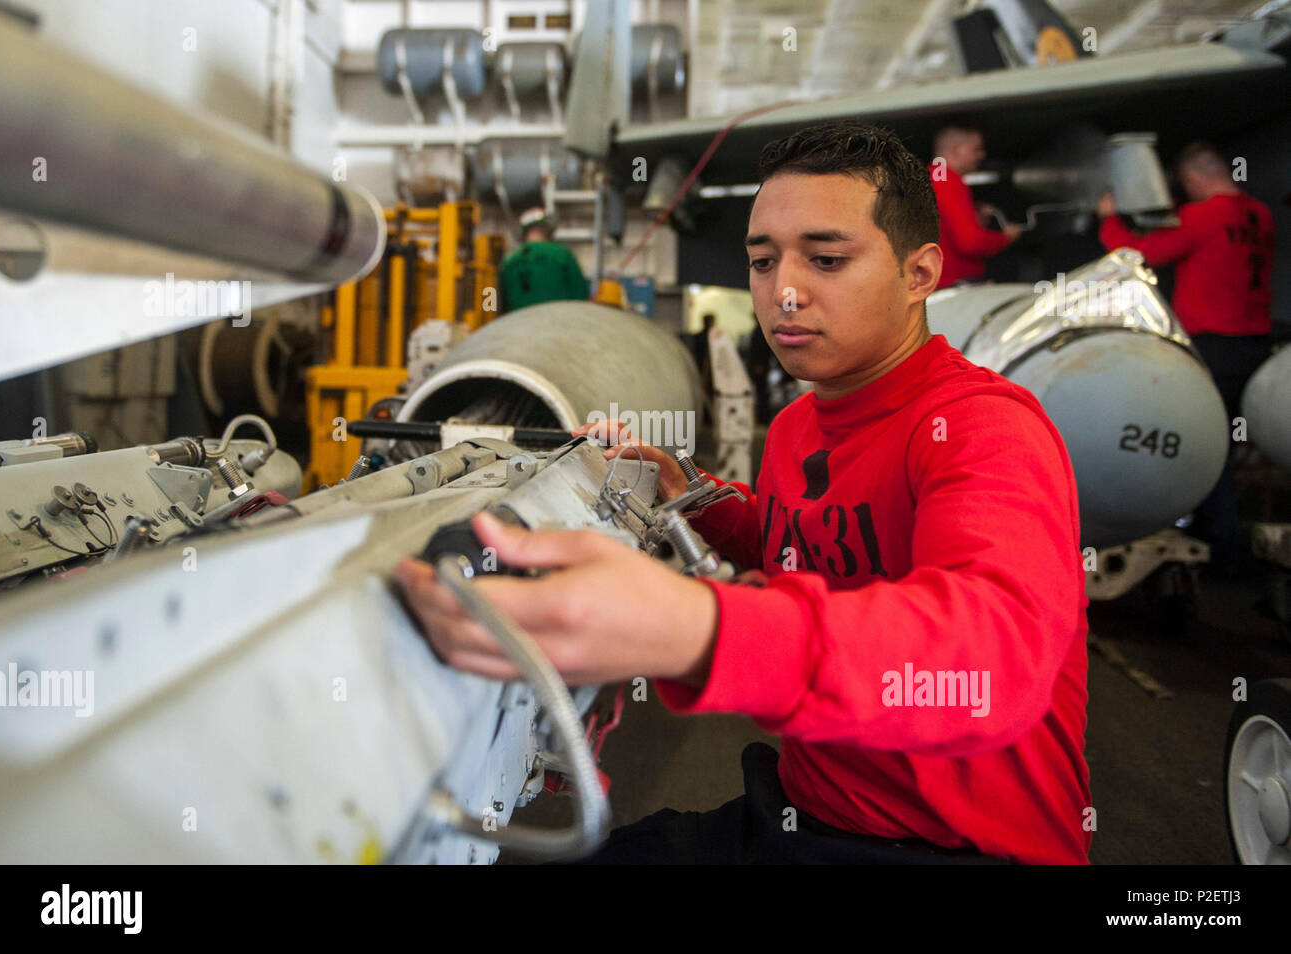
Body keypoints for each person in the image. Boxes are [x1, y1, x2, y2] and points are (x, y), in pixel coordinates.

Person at [395, 121, 1091, 865]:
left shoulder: (983, 428)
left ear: (919, 275)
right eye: (763, 261)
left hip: (951, 846)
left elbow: (987, 668)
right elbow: (810, 546)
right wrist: (695, 494)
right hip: (810, 808)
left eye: (826, 259)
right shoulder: (798, 426)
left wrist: (697, 630)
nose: (783, 292)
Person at [1098, 142, 1276, 570]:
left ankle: (1218, 545)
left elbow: (1139, 257)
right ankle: (1223, 537)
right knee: (1231, 446)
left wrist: (1108, 220)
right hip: (1254, 344)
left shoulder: (1203, 215)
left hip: (1213, 346)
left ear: (1195, 178)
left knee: (1204, 446)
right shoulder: (1260, 215)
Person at [929, 121, 1024, 288]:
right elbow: (970, 243)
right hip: (955, 285)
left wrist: (975, 218)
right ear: (957, 149)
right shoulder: (947, 181)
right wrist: (1006, 238)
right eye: (976, 149)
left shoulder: (933, 176)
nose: (982, 155)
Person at [497, 207, 590, 311]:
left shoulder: (508, 262)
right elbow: (581, 297)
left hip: (517, 324)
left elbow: (500, 303)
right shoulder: (563, 255)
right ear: (549, 230)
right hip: (557, 322)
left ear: (523, 231)